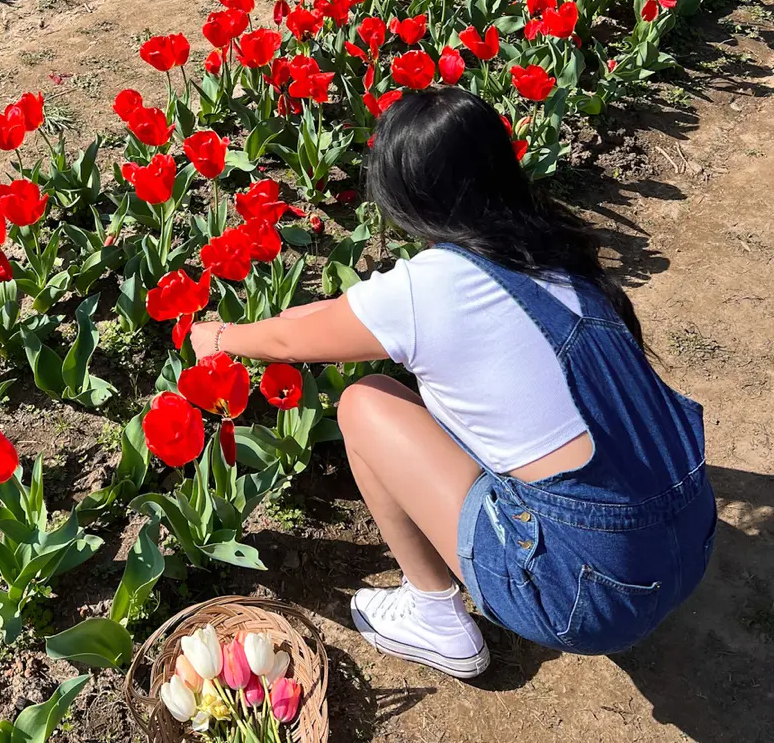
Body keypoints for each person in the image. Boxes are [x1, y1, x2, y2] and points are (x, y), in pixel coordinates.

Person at [191, 89, 716, 678]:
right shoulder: (554, 257)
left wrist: (216, 339)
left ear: (406, 196)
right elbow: (340, 315)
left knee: (366, 404)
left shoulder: (430, 287)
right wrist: (291, 318)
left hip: (587, 598)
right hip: (688, 546)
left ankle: (435, 618)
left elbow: (290, 345)